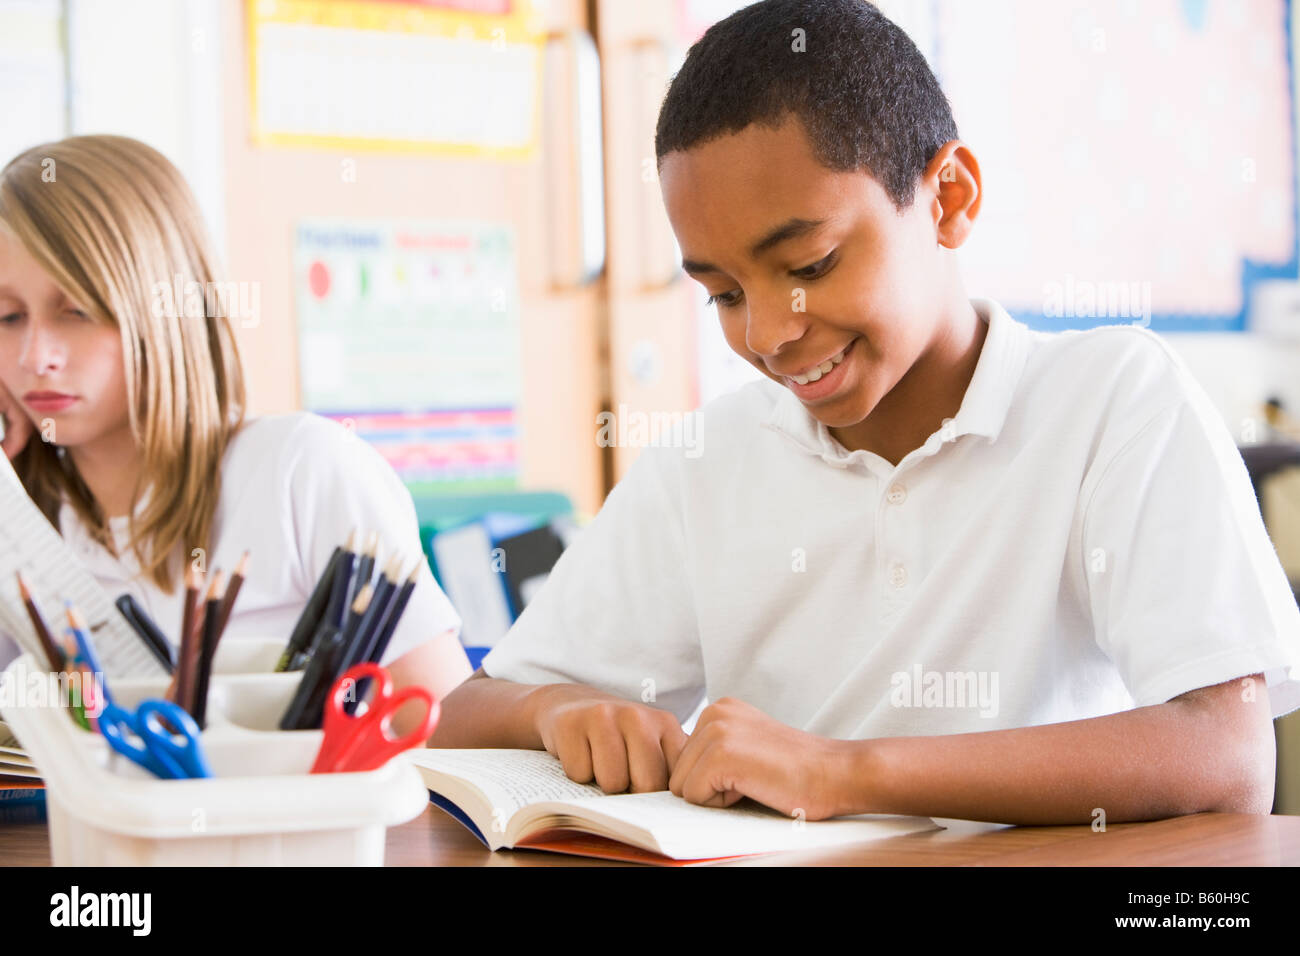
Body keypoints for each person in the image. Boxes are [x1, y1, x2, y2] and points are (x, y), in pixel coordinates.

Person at [428, 0, 1300, 824]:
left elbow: (1224, 759)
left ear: (949, 198)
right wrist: (556, 709)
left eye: (809, 266)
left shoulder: (1111, 401)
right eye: (724, 295)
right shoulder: (707, 464)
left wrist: (843, 773)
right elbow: (462, 712)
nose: (769, 334)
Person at [0, 134, 472, 733]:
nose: (35, 356)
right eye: (7, 317)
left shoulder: (302, 471)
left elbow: (444, 728)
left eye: (77, 311)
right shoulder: (22, 512)